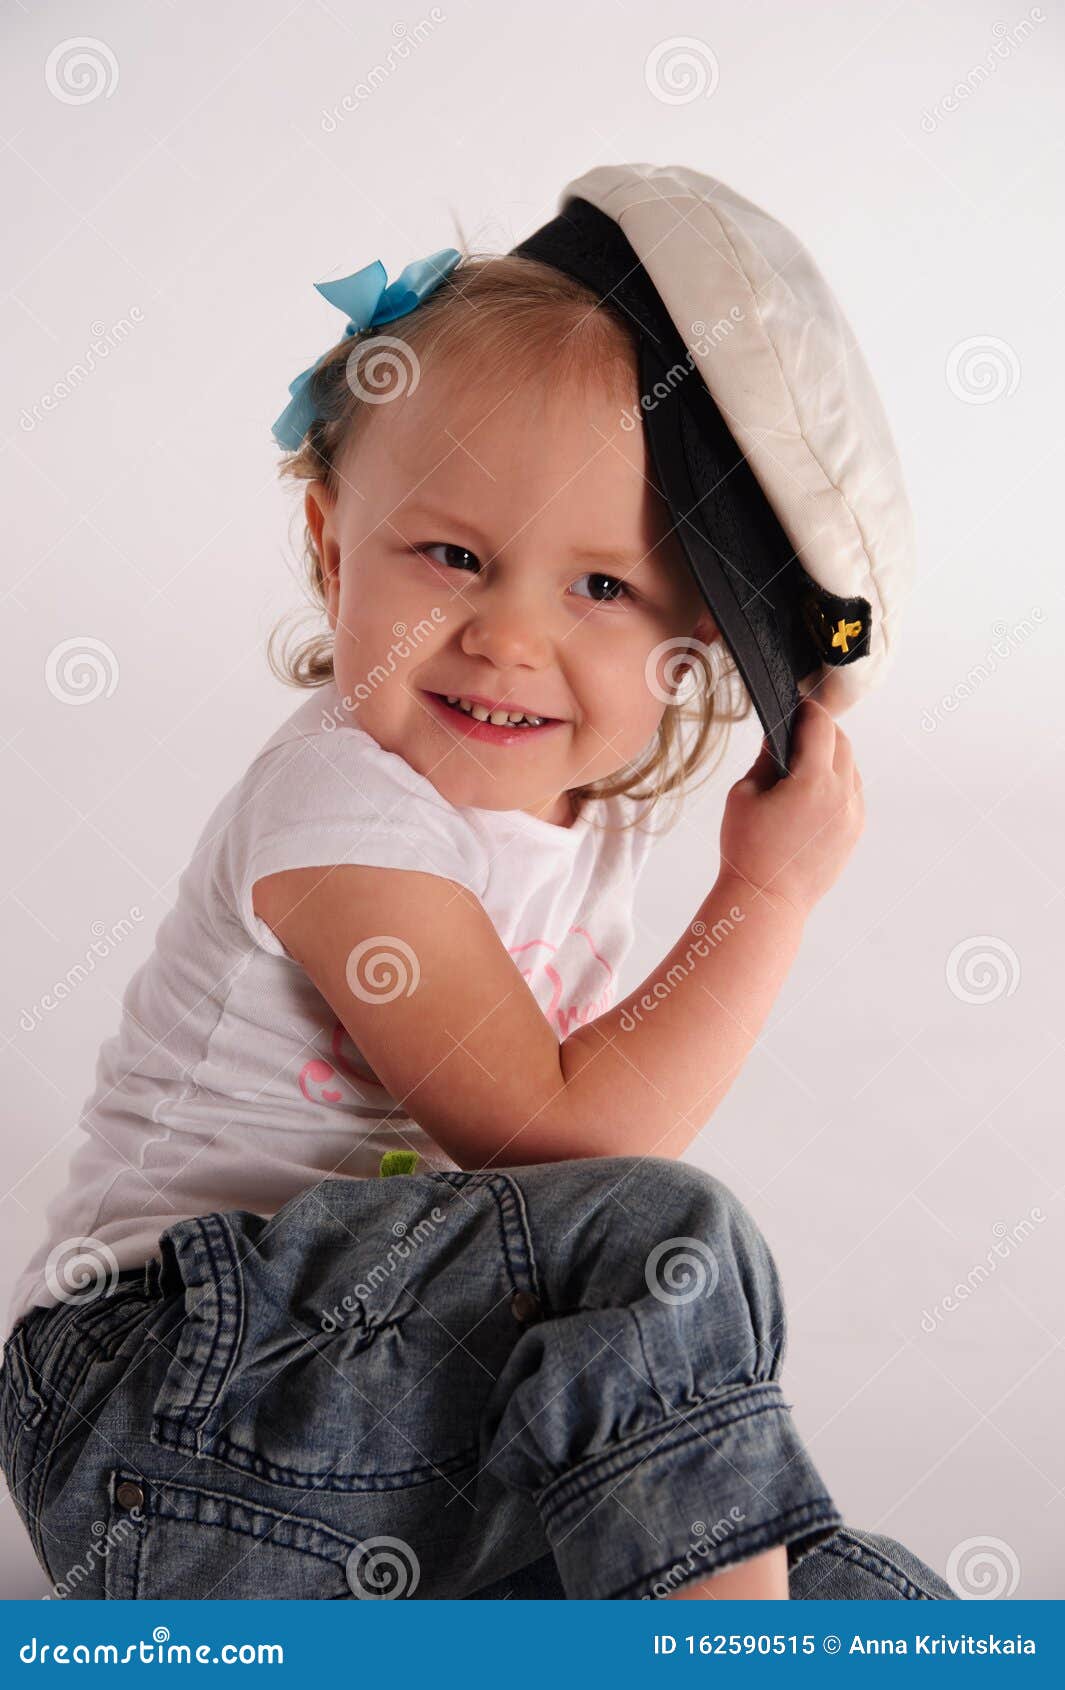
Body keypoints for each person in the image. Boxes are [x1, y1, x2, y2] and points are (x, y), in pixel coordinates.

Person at [0, 206, 955, 1601]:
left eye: (601, 585)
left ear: (693, 648)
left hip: (365, 1437)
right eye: (449, 556)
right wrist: (766, 892)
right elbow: (551, 1139)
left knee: (846, 1573)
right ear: (334, 549)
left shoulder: (592, 816)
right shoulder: (341, 810)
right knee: (666, 1246)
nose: (509, 634)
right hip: (163, 1402)